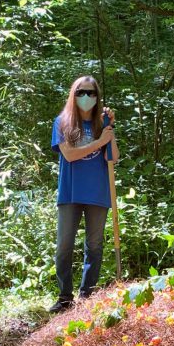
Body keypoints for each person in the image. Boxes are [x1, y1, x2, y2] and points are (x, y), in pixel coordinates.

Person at [48, 76, 117, 313]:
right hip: (71, 192)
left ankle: (87, 296)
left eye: (91, 92)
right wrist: (99, 142)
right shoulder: (63, 122)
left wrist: (109, 130)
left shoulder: (101, 124)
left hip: (98, 192)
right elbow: (69, 155)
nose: (86, 97)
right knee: (64, 246)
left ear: (97, 96)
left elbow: (113, 157)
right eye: (81, 92)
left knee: (94, 246)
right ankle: (65, 297)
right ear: (73, 95)